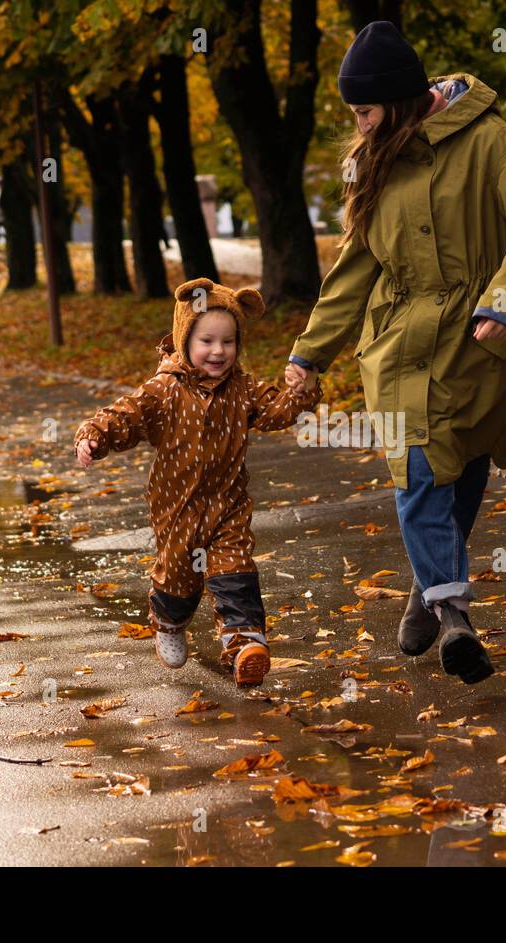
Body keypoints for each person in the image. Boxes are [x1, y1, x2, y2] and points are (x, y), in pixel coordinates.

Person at [283, 21, 506, 684]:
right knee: (418, 479)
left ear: (400, 99)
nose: (357, 126)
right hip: (394, 347)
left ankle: (426, 588)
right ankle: (456, 620)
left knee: (463, 472)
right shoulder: (369, 160)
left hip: (474, 343)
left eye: (364, 110)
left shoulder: (490, 141)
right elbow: (354, 267)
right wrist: (309, 356)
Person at [74, 279, 322, 687]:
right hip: (177, 508)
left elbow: (277, 412)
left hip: (227, 504)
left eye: (228, 342)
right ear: (184, 339)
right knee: (179, 582)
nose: (219, 351)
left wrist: (303, 391)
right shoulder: (164, 389)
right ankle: (168, 620)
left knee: (235, 572)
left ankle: (245, 645)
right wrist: (94, 437)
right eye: (207, 340)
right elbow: (126, 415)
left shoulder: (243, 388)